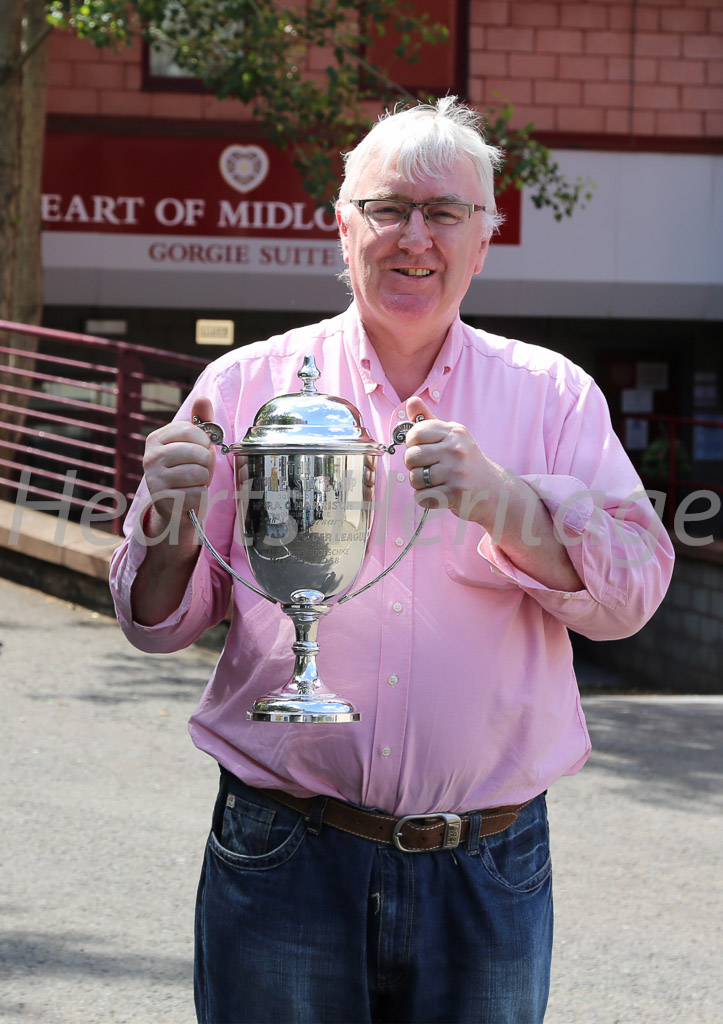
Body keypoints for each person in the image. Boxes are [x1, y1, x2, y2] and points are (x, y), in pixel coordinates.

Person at [110, 97, 674, 1024]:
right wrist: (168, 525)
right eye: (388, 208)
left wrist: (506, 503)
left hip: (486, 866)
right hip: (283, 844)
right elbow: (156, 622)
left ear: (484, 240)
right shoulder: (242, 385)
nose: (416, 237)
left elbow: (632, 597)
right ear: (341, 227)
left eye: (445, 213)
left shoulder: (552, 394)